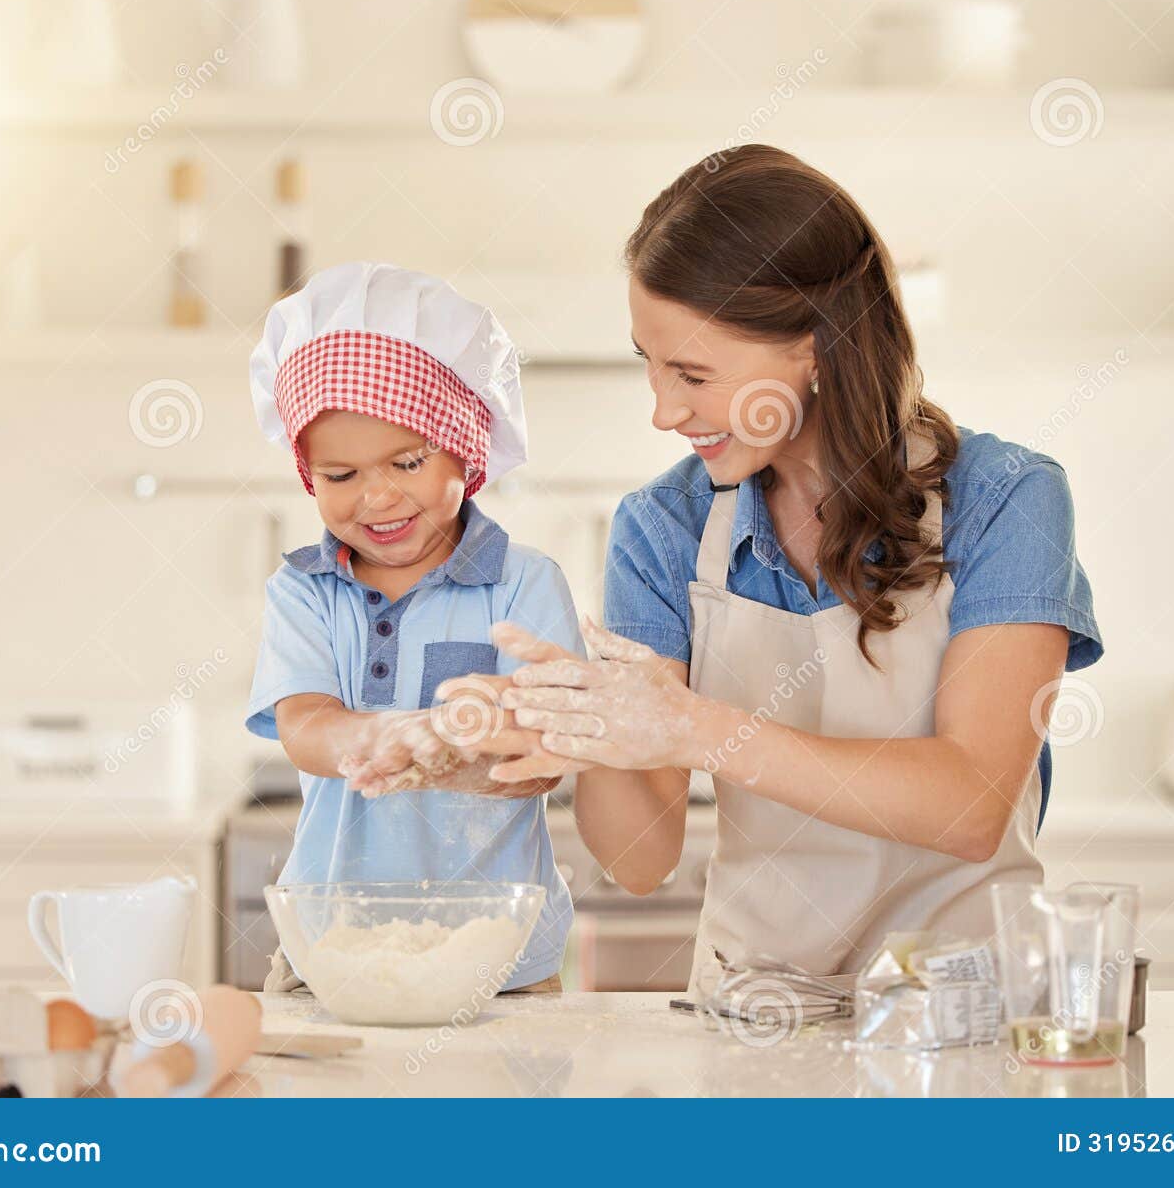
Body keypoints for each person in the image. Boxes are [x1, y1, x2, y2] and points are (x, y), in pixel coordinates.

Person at [446, 146, 1105, 992]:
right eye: (649, 363)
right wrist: (582, 729)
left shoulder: (1006, 498)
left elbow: (971, 806)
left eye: (693, 373)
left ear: (819, 347)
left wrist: (694, 727)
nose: (663, 410)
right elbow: (642, 861)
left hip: (958, 1014)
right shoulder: (664, 527)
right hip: (753, 1010)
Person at [243, 262, 579, 994]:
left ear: (465, 446)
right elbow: (306, 728)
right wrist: (388, 736)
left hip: (500, 961)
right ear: (308, 475)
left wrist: (454, 747)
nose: (377, 496)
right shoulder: (303, 590)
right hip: (330, 951)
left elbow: (545, 761)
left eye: (406, 461)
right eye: (340, 476)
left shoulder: (524, 584)